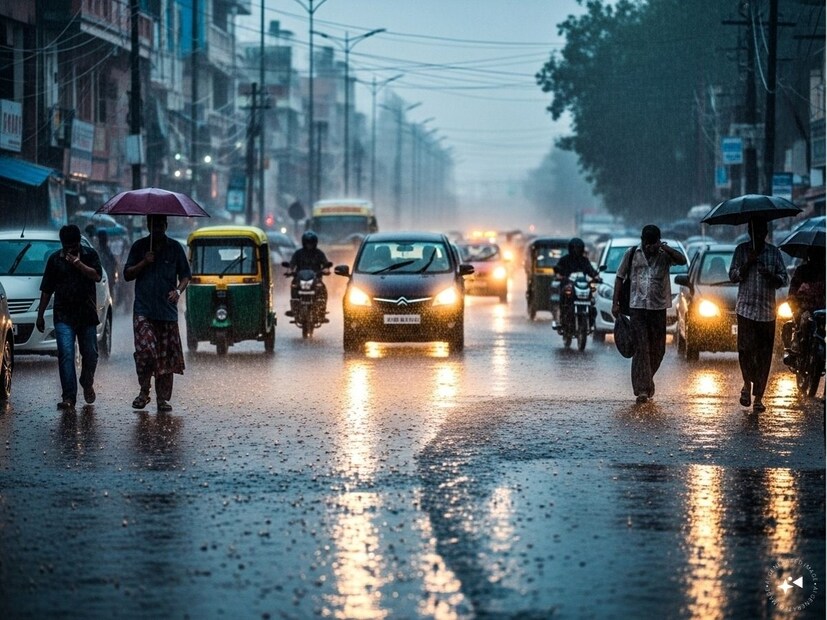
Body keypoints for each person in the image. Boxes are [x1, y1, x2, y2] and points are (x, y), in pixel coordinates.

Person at [123, 214, 191, 412]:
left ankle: (162, 399)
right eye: (154, 224)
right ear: (148, 225)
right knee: (146, 351)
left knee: (165, 357)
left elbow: (186, 276)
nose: (158, 228)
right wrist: (144, 262)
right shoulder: (139, 247)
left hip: (167, 312)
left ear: (166, 225)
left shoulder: (175, 248)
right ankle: (144, 391)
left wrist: (178, 290)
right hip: (144, 310)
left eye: (161, 224)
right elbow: (127, 274)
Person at [612, 225, 687, 403]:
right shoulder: (631, 254)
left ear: (658, 242)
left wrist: (664, 247)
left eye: (653, 244)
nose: (649, 248)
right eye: (646, 244)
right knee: (642, 349)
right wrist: (615, 303)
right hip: (637, 308)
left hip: (658, 309)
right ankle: (642, 390)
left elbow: (682, 260)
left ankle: (646, 380)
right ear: (642, 241)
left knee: (658, 350)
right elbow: (619, 277)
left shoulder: (665, 255)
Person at [36, 224, 103, 409]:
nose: (70, 250)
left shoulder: (90, 255)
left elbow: (97, 276)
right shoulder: (55, 260)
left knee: (90, 354)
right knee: (66, 354)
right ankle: (69, 397)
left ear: (79, 241)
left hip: (87, 314)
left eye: (73, 246)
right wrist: (40, 315)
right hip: (63, 315)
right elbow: (46, 289)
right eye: (66, 247)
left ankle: (87, 381)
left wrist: (78, 263)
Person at [728, 218, 788, 413]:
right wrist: (748, 263)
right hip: (745, 309)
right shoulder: (741, 251)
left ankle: (759, 397)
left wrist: (769, 275)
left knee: (763, 356)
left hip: (767, 313)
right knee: (745, 350)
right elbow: (733, 275)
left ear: (766, 234)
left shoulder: (774, 253)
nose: (758, 236)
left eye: (761, 233)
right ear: (749, 233)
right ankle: (746, 385)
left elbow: (783, 279)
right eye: (755, 233)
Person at [785, 246, 825, 358]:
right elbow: (792, 293)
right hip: (803, 309)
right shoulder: (801, 271)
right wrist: (795, 307)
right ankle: (796, 347)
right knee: (798, 325)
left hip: (822, 311)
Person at [554, 237, 601, 328]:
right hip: (568, 285)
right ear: (570, 248)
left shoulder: (584, 260)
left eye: (578, 248)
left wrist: (596, 277)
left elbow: (591, 270)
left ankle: (590, 322)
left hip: (582, 286)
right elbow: (558, 269)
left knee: (592, 301)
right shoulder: (565, 259)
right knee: (564, 297)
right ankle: (562, 318)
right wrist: (559, 276)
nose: (576, 250)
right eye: (574, 248)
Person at [286, 231, 330, 321]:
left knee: (323, 288)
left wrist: (326, 269)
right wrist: (289, 270)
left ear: (315, 243)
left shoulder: (319, 253)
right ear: (304, 243)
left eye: (311, 243)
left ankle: (322, 309)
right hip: (299, 279)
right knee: (293, 286)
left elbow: (325, 264)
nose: (309, 245)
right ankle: (294, 308)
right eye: (307, 243)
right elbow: (292, 264)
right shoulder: (298, 253)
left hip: (316, 279)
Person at [96, 229, 120, 306]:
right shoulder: (98, 250)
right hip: (102, 278)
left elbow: (114, 262)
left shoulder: (106, 250)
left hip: (108, 277)